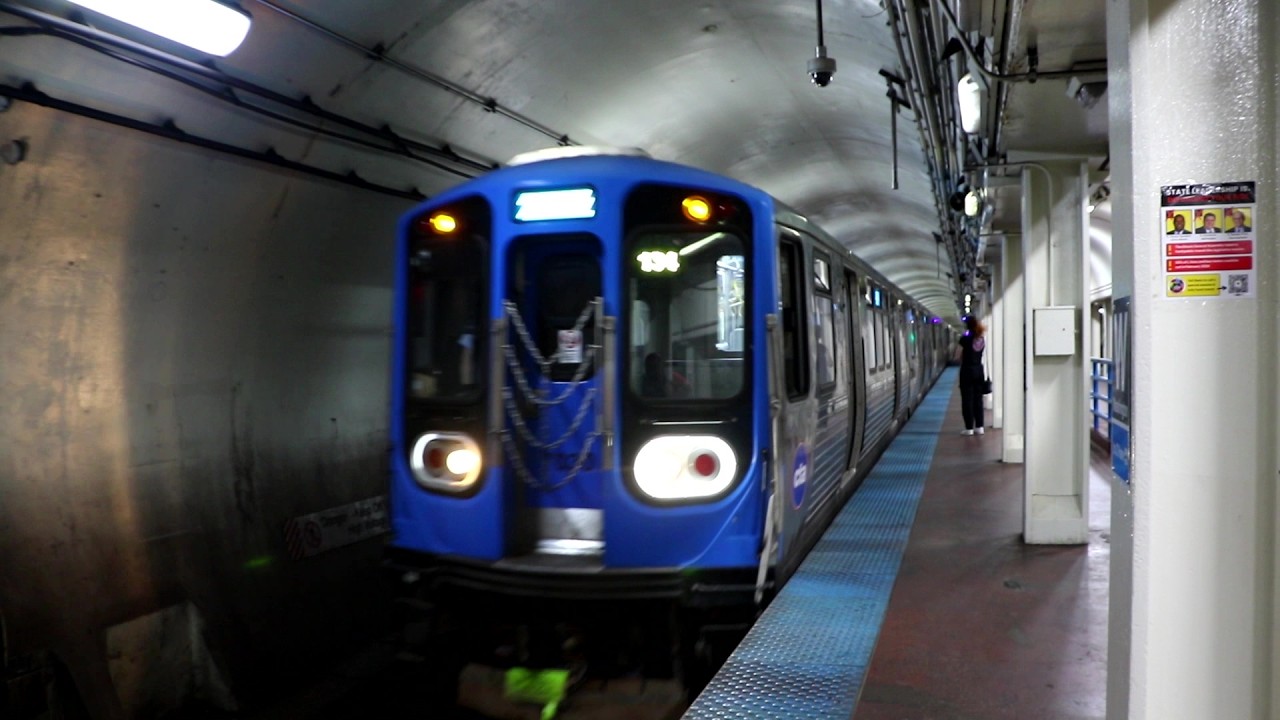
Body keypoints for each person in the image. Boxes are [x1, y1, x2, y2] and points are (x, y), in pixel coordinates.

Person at [956, 315, 987, 436]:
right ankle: (980, 426)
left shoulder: (965, 338)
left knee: (967, 400)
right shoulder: (981, 338)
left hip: (967, 372)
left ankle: (969, 427)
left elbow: (959, 351)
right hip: (979, 371)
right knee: (978, 400)